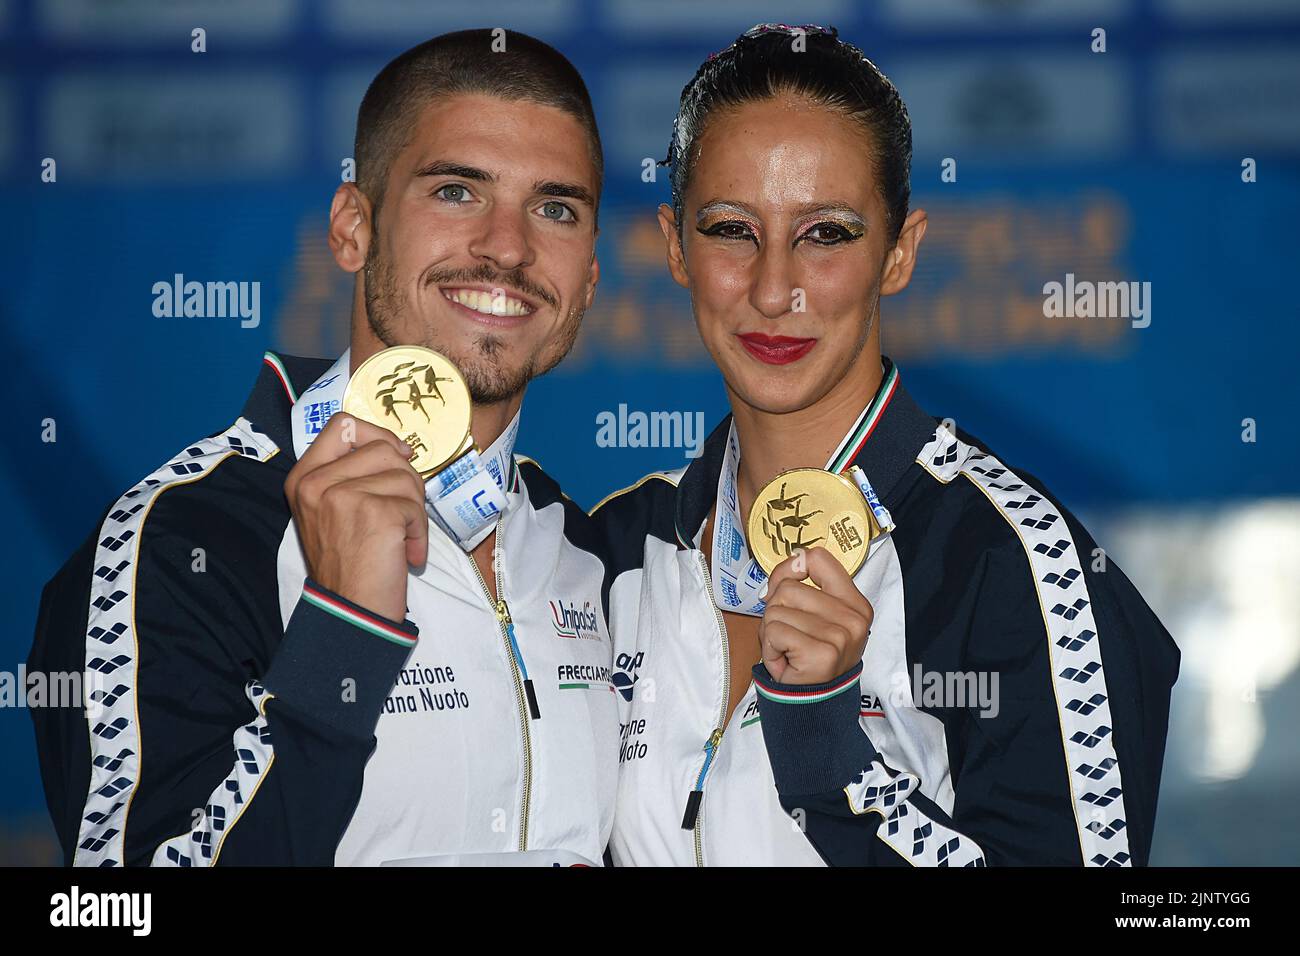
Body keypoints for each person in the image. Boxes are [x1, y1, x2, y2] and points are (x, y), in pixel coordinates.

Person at [593, 23, 1180, 866]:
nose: (772, 286)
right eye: (730, 228)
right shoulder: (620, 547)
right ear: (675, 244)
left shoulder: (1016, 561)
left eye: (825, 232)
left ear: (899, 254)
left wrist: (830, 749)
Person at [29, 29, 617, 867]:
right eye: (457, 192)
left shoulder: (590, 549)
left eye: (556, 208)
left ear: (589, 279)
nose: (510, 246)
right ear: (353, 229)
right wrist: (344, 631)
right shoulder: (177, 542)